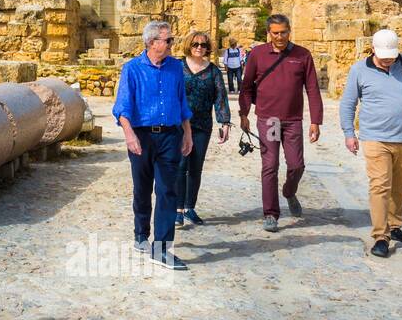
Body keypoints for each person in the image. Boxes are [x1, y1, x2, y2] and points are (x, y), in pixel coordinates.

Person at [339, 28, 402, 259]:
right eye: (383, 56)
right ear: (372, 49)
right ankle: (381, 237)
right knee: (380, 186)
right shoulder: (359, 70)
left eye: (391, 56)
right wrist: (348, 133)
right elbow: (348, 103)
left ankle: (395, 226)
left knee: (399, 187)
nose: (387, 60)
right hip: (375, 138)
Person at [112, 20, 194, 270]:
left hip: (170, 135)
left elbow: (181, 102)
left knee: (168, 190)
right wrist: (129, 135)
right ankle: (140, 234)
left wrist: (187, 133)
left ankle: (161, 249)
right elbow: (122, 107)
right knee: (142, 188)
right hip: (141, 136)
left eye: (171, 40)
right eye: (168, 40)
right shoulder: (132, 69)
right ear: (151, 42)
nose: (172, 44)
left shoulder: (176, 67)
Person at [238, 14, 323, 233]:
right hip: (269, 120)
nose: (280, 36)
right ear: (269, 33)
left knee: (296, 165)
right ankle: (271, 214)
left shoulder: (302, 55)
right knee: (270, 165)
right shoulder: (257, 54)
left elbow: (312, 89)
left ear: (289, 31)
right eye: (275, 32)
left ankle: (289, 191)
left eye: (283, 32)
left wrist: (316, 120)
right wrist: (244, 113)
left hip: (293, 120)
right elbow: (246, 87)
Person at [176, 31, 232, 226]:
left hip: (202, 126)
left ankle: (190, 207)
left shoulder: (213, 71)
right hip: (180, 125)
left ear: (208, 47)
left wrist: (224, 122)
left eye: (203, 44)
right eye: (195, 44)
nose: (199, 47)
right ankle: (177, 209)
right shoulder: (177, 67)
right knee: (180, 166)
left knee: (195, 168)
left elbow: (220, 97)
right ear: (189, 45)